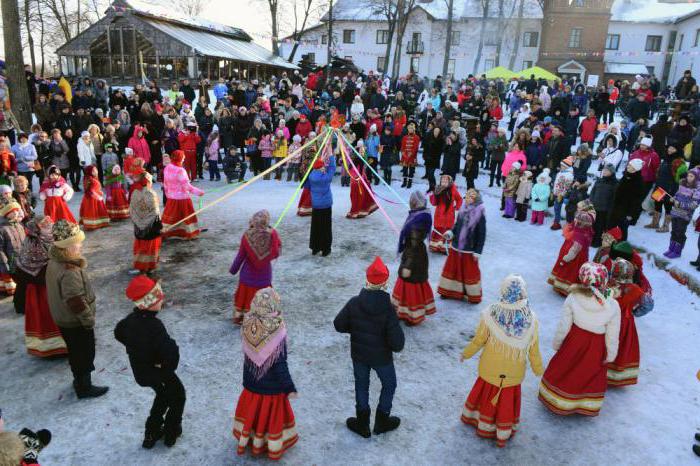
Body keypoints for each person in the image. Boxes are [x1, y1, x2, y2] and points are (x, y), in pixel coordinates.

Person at [460, 274, 543, 448]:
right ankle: (503, 430)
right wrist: (538, 369)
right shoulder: (531, 319)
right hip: (513, 376)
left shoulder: (491, 313)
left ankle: (481, 422)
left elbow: (478, 340)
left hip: (489, 371)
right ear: (523, 294)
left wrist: (467, 354)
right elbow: (534, 351)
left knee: (486, 396)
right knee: (506, 404)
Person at [334, 256, 405, 438]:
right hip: (382, 358)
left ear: (367, 280)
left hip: (359, 355)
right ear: (385, 283)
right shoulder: (389, 310)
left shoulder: (354, 303)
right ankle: (382, 421)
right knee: (389, 384)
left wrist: (356, 329)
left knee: (361, 385)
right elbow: (398, 344)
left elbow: (339, 324)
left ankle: (362, 424)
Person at [539, 262, 621, 417]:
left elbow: (564, 324)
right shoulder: (613, 304)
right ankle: (582, 403)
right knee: (588, 373)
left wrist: (558, 344)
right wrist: (611, 354)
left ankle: (557, 398)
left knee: (565, 367)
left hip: (574, 340)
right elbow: (613, 333)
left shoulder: (573, 297)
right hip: (596, 345)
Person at [115, 275, 185, 449]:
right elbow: (170, 353)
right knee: (178, 396)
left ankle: (151, 433)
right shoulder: (154, 326)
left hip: (142, 373)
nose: (162, 302)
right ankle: (171, 431)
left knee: (162, 396)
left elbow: (118, 332)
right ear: (150, 303)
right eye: (159, 300)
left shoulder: (129, 322)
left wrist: (134, 348)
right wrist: (166, 366)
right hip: (159, 372)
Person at [233, 288, 298, 460]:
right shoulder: (277, 330)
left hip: (251, 383)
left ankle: (250, 437)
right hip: (272, 389)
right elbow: (280, 364)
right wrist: (289, 387)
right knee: (268, 418)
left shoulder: (248, 323)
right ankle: (268, 443)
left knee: (253, 414)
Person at [46, 219, 109, 399]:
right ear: (67, 247)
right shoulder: (69, 270)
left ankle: (79, 380)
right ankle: (84, 387)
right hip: (75, 321)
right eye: (77, 243)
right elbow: (75, 301)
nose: (80, 245)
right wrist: (88, 320)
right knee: (84, 352)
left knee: (75, 351)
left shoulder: (54, 261)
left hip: (63, 319)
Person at [14, 215, 68, 357]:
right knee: (47, 315)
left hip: (53, 282)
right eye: (45, 226)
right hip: (41, 288)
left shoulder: (51, 238)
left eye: (49, 224)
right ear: (37, 229)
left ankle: (67, 343)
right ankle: (51, 348)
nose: (49, 227)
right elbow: (25, 269)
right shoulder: (32, 244)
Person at [230, 210, 281, 325]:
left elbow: (241, 255)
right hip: (264, 276)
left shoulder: (246, 235)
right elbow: (276, 252)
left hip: (247, 276)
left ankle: (243, 316)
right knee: (263, 297)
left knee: (245, 297)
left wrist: (233, 269)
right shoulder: (272, 234)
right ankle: (262, 316)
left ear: (253, 221)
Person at [392, 191, 434, 325]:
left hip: (414, 258)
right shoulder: (419, 215)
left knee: (411, 288)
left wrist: (408, 266)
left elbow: (414, 245)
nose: (410, 202)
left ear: (415, 203)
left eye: (412, 201)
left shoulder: (418, 220)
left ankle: (413, 316)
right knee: (407, 286)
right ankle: (403, 312)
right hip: (415, 255)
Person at [437, 189, 486, 304]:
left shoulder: (480, 215)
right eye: (467, 196)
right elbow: (457, 225)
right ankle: (448, 291)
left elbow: (481, 235)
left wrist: (478, 251)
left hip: (469, 250)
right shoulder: (462, 210)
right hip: (456, 247)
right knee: (452, 269)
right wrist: (450, 233)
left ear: (476, 200)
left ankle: (472, 294)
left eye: (470, 197)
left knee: (469, 272)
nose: (467, 199)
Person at [607, 258, 649, 387]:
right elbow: (648, 305)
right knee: (622, 346)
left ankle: (601, 370)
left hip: (607, 320)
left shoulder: (608, 285)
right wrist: (635, 312)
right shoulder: (635, 289)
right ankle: (615, 375)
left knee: (606, 344)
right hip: (625, 323)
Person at [547, 210, 595, 296]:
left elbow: (575, 250)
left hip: (574, 259)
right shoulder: (586, 232)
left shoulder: (579, 235)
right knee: (574, 273)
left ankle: (565, 289)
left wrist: (566, 258)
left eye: (576, 220)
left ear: (581, 223)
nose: (574, 221)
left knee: (568, 272)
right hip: (581, 257)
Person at [162, 150, 204, 240]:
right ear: (180, 158)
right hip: (182, 199)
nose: (184, 157)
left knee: (172, 216)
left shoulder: (167, 167)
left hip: (172, 198)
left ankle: (167, 232)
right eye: (183, 156)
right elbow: (187, 186)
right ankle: (188, 232)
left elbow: (165, 184)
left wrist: (168, 194)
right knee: (186, 216)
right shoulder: (181, 170)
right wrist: (199, 192)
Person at [129, 170, 162, 275]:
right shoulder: (151, 193)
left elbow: (132, 209)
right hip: (151, 228)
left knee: (141, 246)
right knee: (150, 246)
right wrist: (159, 224)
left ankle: (141, 265)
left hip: (139, 227)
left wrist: (139, 221)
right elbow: (155, 212)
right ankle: (150, 265)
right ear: (148, 181)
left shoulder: (135, 192)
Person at [663, 167, 700, 259]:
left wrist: (681, 204)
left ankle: (677, 251)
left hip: (685, 215)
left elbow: (694, 204)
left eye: (692, 176)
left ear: (696, 178)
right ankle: (671, 248)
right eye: (688, 175)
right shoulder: (683, 184)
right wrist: (673, 198)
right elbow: (677, 194)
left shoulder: (697, 189)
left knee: (680, 232)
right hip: (675, 212)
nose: (689, 178)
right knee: (674, 231)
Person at [608, 159, 645, 240]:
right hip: (616, 207)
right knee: (610, 227)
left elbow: (637, 201)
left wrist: (630, 214)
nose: (628, 166)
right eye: (628, 165)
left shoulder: (638, 182)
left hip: (626, 211)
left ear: (636, 169)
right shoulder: (626, 175)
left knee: (622, 229)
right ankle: (608, 243)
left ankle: (621, 246)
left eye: (630, 166)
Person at [308, 154, 336, 256]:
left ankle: (315, 248)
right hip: (325, 206)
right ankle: (325, 249)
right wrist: (331, 156)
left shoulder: (311, 176)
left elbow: (324, 169)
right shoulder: (325, 178)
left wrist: (322, 162)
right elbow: (332, 168)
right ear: (321, 167)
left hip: (316, 205)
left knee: (316, 227)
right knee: (326, 227)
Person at [429, 175, 462, 253]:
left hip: (449, 215)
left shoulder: (453, 190)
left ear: (449, 182)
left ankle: (445, 247)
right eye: (442, 181)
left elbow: (459, 199)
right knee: (438, 229)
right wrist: (434, 195)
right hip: (439, 214)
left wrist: (457, 207)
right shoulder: (438, 190)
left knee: (447, 230)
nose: (443, 183)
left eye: (446, 182)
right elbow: (434, 203)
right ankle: (436, 246)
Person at [0, 202, 26, 299]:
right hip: (11, 260)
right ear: (7, 213)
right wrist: (5, 264)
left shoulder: (19, 225)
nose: (16, 213)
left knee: (23, 282)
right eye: (13, 211)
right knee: (15, 282)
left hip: (22, 258)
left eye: (17, 210)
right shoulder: (2, 229)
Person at [589, 164, 618, 247]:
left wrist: (610, 209)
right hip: (595, 207)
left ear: (612, 172)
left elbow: (613, 198)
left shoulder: (614, 183)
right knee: (593, 225)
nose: (604, 171)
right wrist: (591, 201)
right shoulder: (599, 180)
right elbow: (593, 192)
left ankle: (597, 242)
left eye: (607, 170)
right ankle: (591, 239)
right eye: (604, 170)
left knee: (600, 226)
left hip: (604, 209)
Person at [78, 166, 110, 231]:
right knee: (93, 211)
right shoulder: (89, 179)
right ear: (89, 172)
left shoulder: (93, 178)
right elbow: (91, 190)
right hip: (92, 199)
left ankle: (99, 223)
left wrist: (99, 192)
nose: (96, 172)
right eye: (93, 171)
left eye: (96, 170)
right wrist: (98, 196)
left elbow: (96, 188)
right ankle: (92, 224)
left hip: (96, 197)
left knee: (98, 211)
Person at [399, 122, 420, 188]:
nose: (410, 130)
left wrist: (410, 154)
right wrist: (403, 153)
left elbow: (415, 147)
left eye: (411, 128)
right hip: (405, 156)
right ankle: (404, 181)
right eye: (409, 128)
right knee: (405, 170)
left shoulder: (417, 137)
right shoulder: (404, 137)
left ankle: (410, 182)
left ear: (414, 129)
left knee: (411, 170)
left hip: (412, 156)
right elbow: (402, 146)